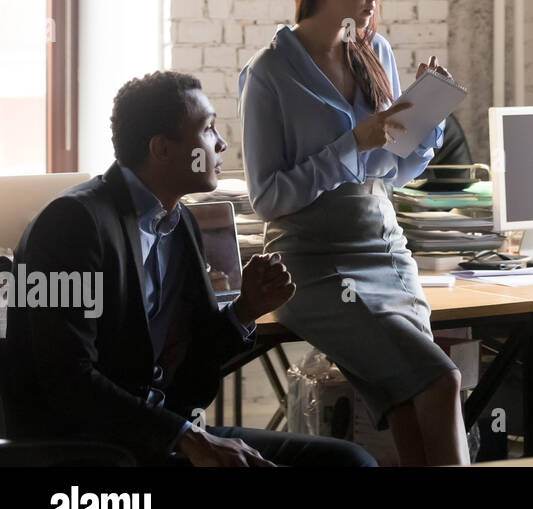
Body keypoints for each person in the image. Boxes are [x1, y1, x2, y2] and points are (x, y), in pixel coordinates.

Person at [4, 71, 375, 466]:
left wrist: (244, 309)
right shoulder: (72, 223)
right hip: (90, 447)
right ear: (161, 149)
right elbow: (67, 379)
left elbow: (193, 363)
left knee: (351, 461)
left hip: (161, 434)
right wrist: (186, 438)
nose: (222, 143)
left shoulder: (179, 225)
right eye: (208, 128)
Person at [238, 0, 468, 465]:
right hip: (313, 266)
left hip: (386, 251)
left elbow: (388, 172)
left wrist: (427, 120)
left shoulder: (375, 53)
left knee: (413, 400)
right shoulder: (269, 73)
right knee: (441, 381)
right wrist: (351, 144)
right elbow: (268, 197)